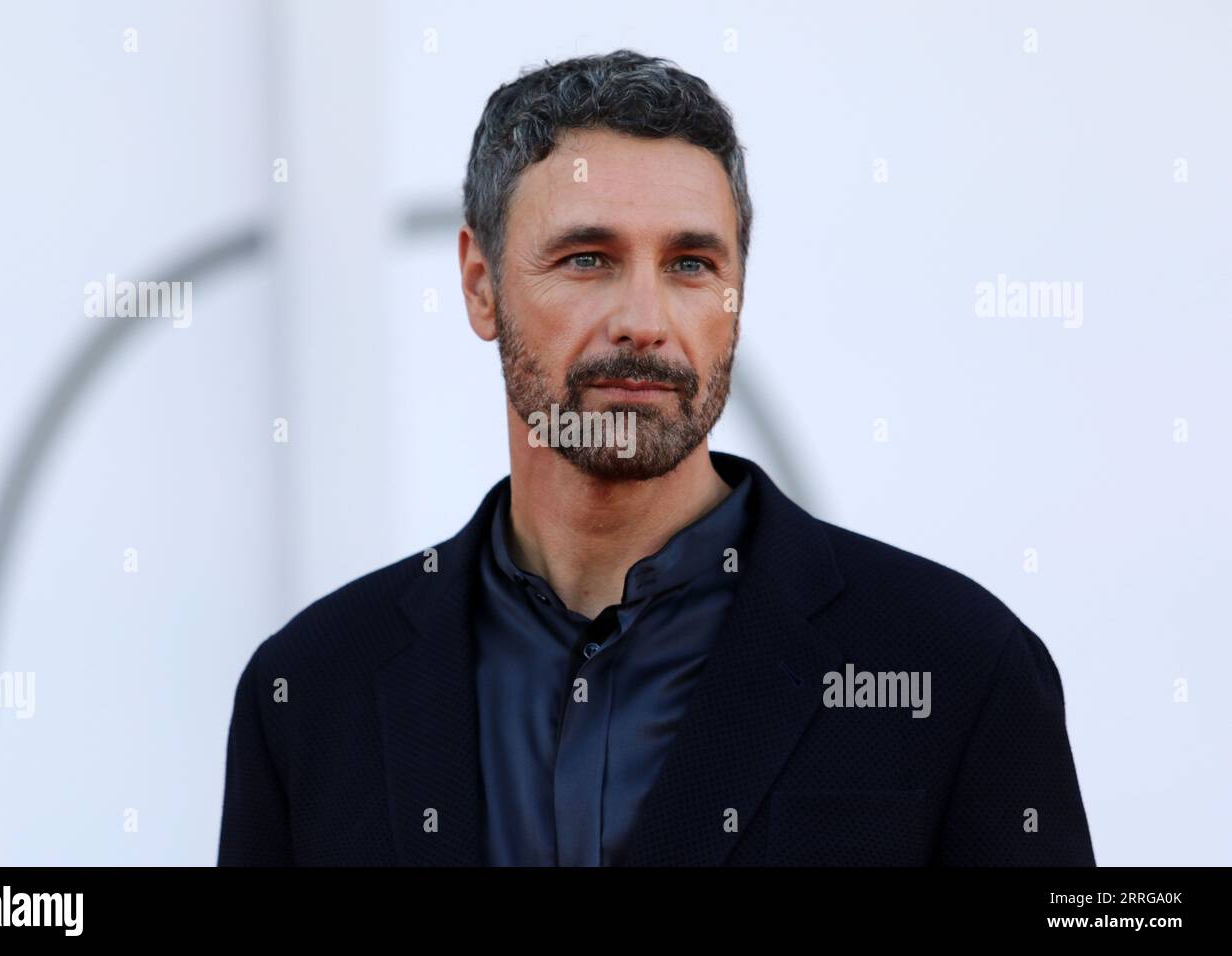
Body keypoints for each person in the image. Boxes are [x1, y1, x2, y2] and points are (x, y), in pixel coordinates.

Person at [218, 49, 1094, 866]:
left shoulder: (956, 668)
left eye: (689, 264)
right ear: (481, 285)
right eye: (589, 258)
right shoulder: (309, 690)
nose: (644, 318)